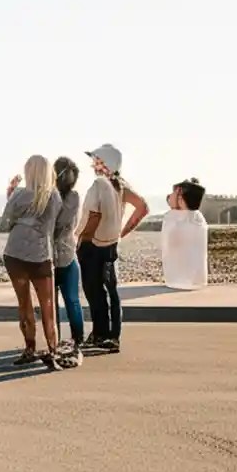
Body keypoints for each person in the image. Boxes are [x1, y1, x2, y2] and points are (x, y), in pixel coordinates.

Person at [77, 144, 149, 353]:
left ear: (105, 163)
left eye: (96, 160)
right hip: (110, 244)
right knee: (108, 290)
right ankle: (108, 335)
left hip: (92, 244)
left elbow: (93, 216)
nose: (93, 164)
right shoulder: (121, 186)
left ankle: (103, 334)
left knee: (94, 290)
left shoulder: (100, 186)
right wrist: (120, 233)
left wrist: (81, 240)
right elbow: (143, 208)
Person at [2, 155, 63, 371]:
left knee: (24, 303)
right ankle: (53, 350)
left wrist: (10, 196)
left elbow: (5, 220)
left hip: (15, 251)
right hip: (40, 254)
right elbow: (51, 227)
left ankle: (29, 349)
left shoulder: (19, 194)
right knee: (48, 306)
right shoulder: (54, 196)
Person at [52, 157, 85, 368]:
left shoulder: (50, 197)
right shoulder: (74, 198)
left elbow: (52, 225)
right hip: (68, 252)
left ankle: (53, 339)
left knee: (51, 302)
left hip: (50, 255)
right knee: (72, 299)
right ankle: (77, 338)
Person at [162, 177, 209, 290]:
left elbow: (172, 243)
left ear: (180, 198)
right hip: (194, 280)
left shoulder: (176, 218)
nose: (169, 196)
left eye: (173, 193)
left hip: (177, 280)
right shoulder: (197, 218)